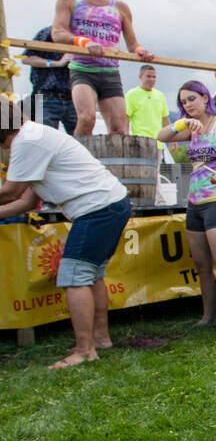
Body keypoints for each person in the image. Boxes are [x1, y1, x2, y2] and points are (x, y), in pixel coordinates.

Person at [0, 95, 131, 368]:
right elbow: (27, 202)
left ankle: (85, 352)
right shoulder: (35, 135)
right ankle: (100, 339)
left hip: (97, 208)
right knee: (92, 274)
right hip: (111, 203)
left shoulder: (26, 141)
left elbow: (11, 192)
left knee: (74, 276)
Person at [157, 82, 216, 336]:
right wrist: (180, 124)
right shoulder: (190, 128)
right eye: (183, 102)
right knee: (201, 264)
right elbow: (160, 137)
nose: (188, 105)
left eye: (192, 99)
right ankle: (208, 317)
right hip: (194, 203)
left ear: (206, 98)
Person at [51, 0, 154, 135]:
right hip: (83, 69)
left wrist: (141, 51)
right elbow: (58, 33)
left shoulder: (120, 7)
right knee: (87, 118)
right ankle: (76, 161)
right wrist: (84, 42)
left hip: (110, 72)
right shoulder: (69, 1)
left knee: (120, 128)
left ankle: (112, 163)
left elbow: (133, 44)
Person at [21, 25, 77, 134]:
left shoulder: (84, 35)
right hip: (47, 96)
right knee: (45, 140)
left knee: (81, 142)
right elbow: (26, 58)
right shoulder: (48, 33)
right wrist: (56, 63)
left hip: (75, 98)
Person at [126, 64, 169, 143]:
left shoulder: (160, 95)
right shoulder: (131, 94)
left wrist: (173, 139)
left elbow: (165, 119)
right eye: (148, 76)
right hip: (140, 142)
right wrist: (126, 138)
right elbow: (126, 118)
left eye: (154, 77)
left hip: (158, 142)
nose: (151, 79)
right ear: (140, 77)